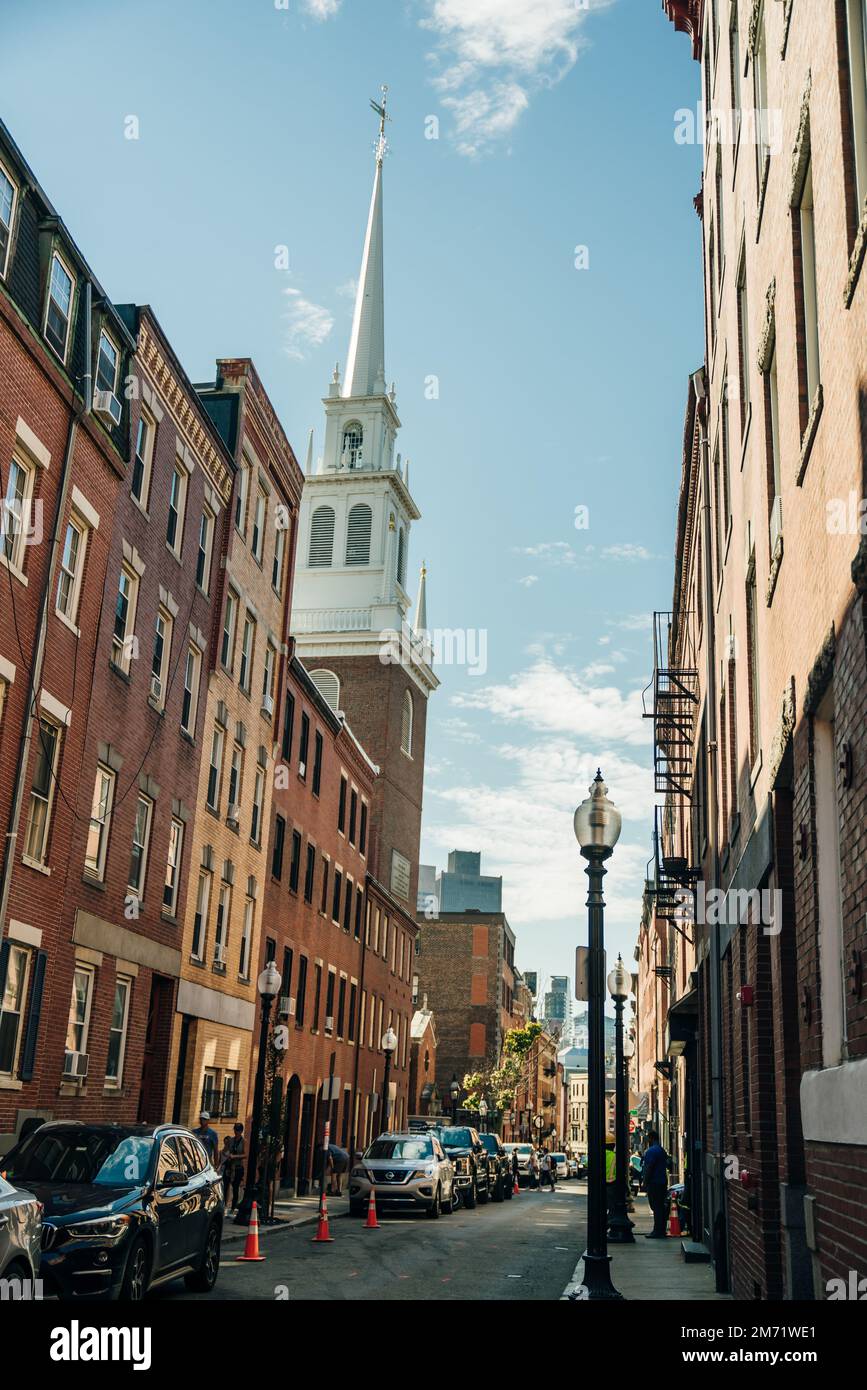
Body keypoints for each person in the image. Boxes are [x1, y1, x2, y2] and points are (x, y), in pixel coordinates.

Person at [641, 1130, 673, 1238]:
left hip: (654, 1183)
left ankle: (657, 1231)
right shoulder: (661, 1150)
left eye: (647, 1138)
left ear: (651, 1138)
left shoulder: (651, 1151)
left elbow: (649, 1167)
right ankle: (661, 1230)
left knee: (656, 1207)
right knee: (660, 1207)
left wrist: (645, 1182)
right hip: (662, 1182)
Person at [224, 1122, 246, 1212]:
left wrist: (235, 1156)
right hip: (229, 1166)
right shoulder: (231, 1140)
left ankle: (233, 1207)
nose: (236, 1132)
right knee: (226, 1186)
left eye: (238, 1130)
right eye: (235, 1130)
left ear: (241, 1131)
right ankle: (225, 1205)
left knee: (235, 1188)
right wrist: (226, 1155)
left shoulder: (244, 1141)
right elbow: (225, 1150)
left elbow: (245, 1154)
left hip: (238, 1167)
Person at [605, 1134, 617, 1216]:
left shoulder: (598, 1154)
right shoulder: (615, 1156)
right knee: (612, 1208)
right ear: (613, 1145)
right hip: (611, 1185)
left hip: (599, 1186)